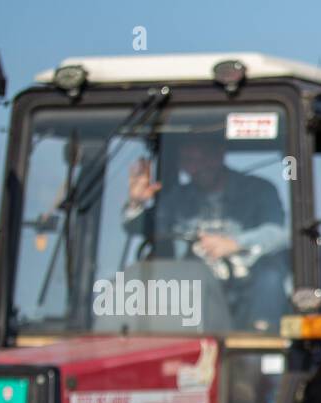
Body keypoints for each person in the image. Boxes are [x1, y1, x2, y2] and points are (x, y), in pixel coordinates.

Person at [124, 135, 289, 329]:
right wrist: (137, 202)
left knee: (270, 275)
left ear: (219, 155)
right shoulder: (175, 199)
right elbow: (138, 228)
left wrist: (236, 244)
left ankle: (261, 342)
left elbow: (279, 233)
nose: (194, 169)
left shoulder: (259, 190)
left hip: (246, 290)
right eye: (187, 162)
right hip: (192, 294)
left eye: (199, 160)